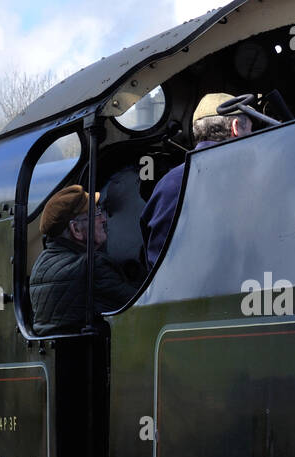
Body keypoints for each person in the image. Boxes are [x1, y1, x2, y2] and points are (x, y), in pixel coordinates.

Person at [140, 92, 253, 269]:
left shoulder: (170, 183)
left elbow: (159, 261)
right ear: (236, 127)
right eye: (250, 130)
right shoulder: (252, 179)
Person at [29, 184, 138, 333]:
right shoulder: (92, 266)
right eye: (97, 213)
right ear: (76, 230)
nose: (104, 219)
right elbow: (140, 306)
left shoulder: (39, 267)